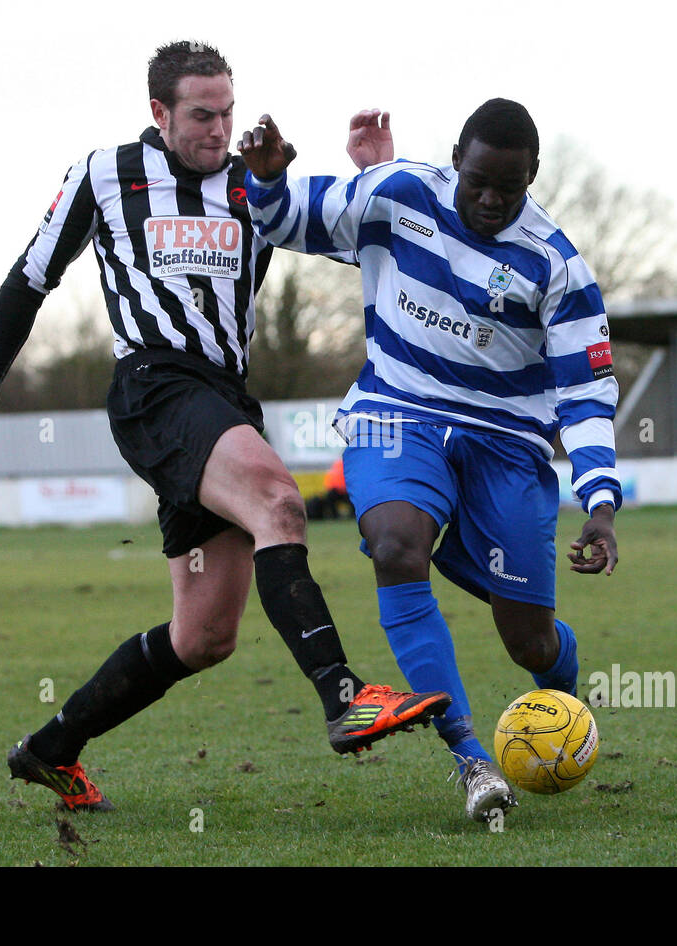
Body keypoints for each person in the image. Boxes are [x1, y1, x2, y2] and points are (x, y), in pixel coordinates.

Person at [0, 42, 448, 812]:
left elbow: (365, 243)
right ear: (160, 112)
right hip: (153, 387)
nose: (219, 129)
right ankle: (345, 696)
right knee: (280, 501)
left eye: (228, 112)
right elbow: (31, 275)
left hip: (222, 400)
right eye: (201, 115)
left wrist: (374, 170)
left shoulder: (256, 181)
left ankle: (51, 749)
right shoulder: (105, 174)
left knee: (204, 636)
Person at [240, 99, 620, 822]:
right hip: (396, 414)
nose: (488, 198)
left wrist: (599, 503)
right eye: (477, 180)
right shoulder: (397, 191)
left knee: (528, 639)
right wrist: (266, 183)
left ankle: (564, 693)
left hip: (508, 444)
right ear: (455, 159)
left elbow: (585, 395)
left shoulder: (559, 267)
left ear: (531, 178)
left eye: (507, 188)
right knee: (394, 546)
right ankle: (471, 758)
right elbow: (294, 221)